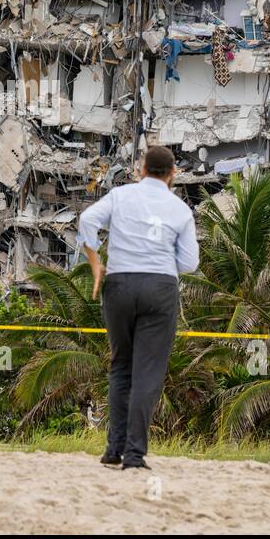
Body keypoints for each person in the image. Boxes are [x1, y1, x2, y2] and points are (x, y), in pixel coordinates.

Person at [77, 145, 199, 470]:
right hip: (159, 287)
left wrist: (95, 263)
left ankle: (113, 449)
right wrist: (159, 258)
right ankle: (134, 454)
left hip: (119, 283)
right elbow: (189, 263)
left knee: (121, 366)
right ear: (173, 173)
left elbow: (87, 220)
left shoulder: (121, 196)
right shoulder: (180, 209)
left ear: (141, 169)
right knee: (148, 372)